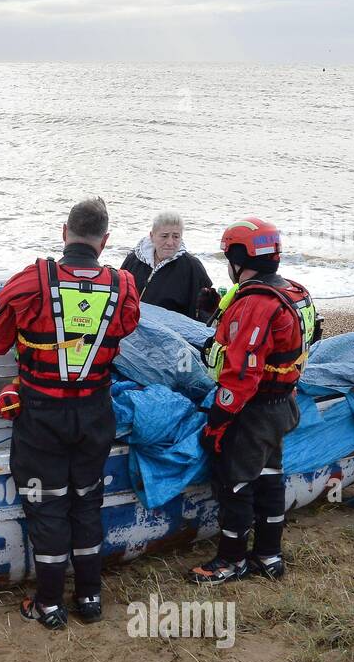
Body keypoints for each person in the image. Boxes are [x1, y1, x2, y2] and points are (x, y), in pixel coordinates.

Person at [0, 198, 141, 628]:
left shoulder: (30, 280)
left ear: (64, 232)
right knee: (87, 499)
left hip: (42, 414)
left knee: (46, 502)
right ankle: (89, 597)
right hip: (95, 412)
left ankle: (49, 604)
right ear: (105, 241)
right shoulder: (124, 285)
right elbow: (126, 327)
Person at [190, 217, 321, 585]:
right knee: (269, 478)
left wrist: (219, 419)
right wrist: (213, 308)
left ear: (237, 257)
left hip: (252, 410)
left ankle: (231, 561)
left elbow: (242, 371)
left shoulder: (258, 303)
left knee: (235, 483)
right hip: (282, 405)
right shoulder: (294, 292)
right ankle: (268, 554)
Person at [120, 211, 217, 321]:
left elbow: (204, 312)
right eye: (164, 236)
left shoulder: (193, 267)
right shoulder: (133, 260)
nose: (170, 242)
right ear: (152, 236)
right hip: (130, 330)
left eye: (176, 236)